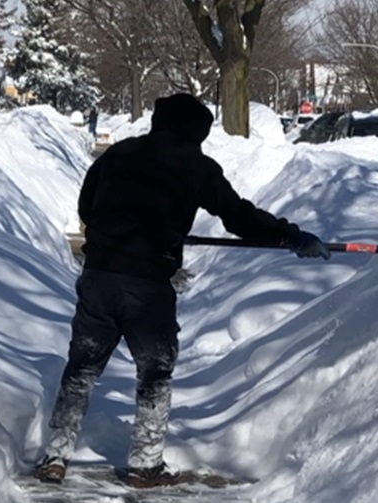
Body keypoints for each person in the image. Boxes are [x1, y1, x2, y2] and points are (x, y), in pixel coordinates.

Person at [33, 93, 330, 488]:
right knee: (155, 371)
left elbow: (87, 209)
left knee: (83, 366)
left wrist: (120, 226)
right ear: (193, 131)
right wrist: (289, 236)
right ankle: (145, 464)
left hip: (100, 276)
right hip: (148, 286)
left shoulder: (117, 156)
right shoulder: (196, 167)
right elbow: (238, 217)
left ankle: (56, 455)